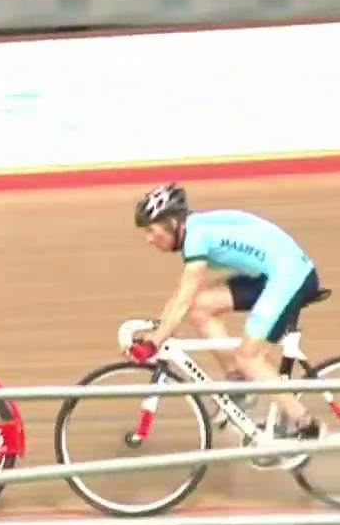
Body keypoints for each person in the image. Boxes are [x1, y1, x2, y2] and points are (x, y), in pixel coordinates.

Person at [127, 183, 326, 441]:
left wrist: (155, 342)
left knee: (249, 357)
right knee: (200, 307)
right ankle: (240, 384)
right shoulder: (195, 229)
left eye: (152, 230)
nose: (149, 239)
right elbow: (183, 298)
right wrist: (157, 333)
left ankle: (307, 424)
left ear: (173, 223)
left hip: (290, 277)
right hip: (273, 272)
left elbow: (182, 299)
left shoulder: (197, 237)